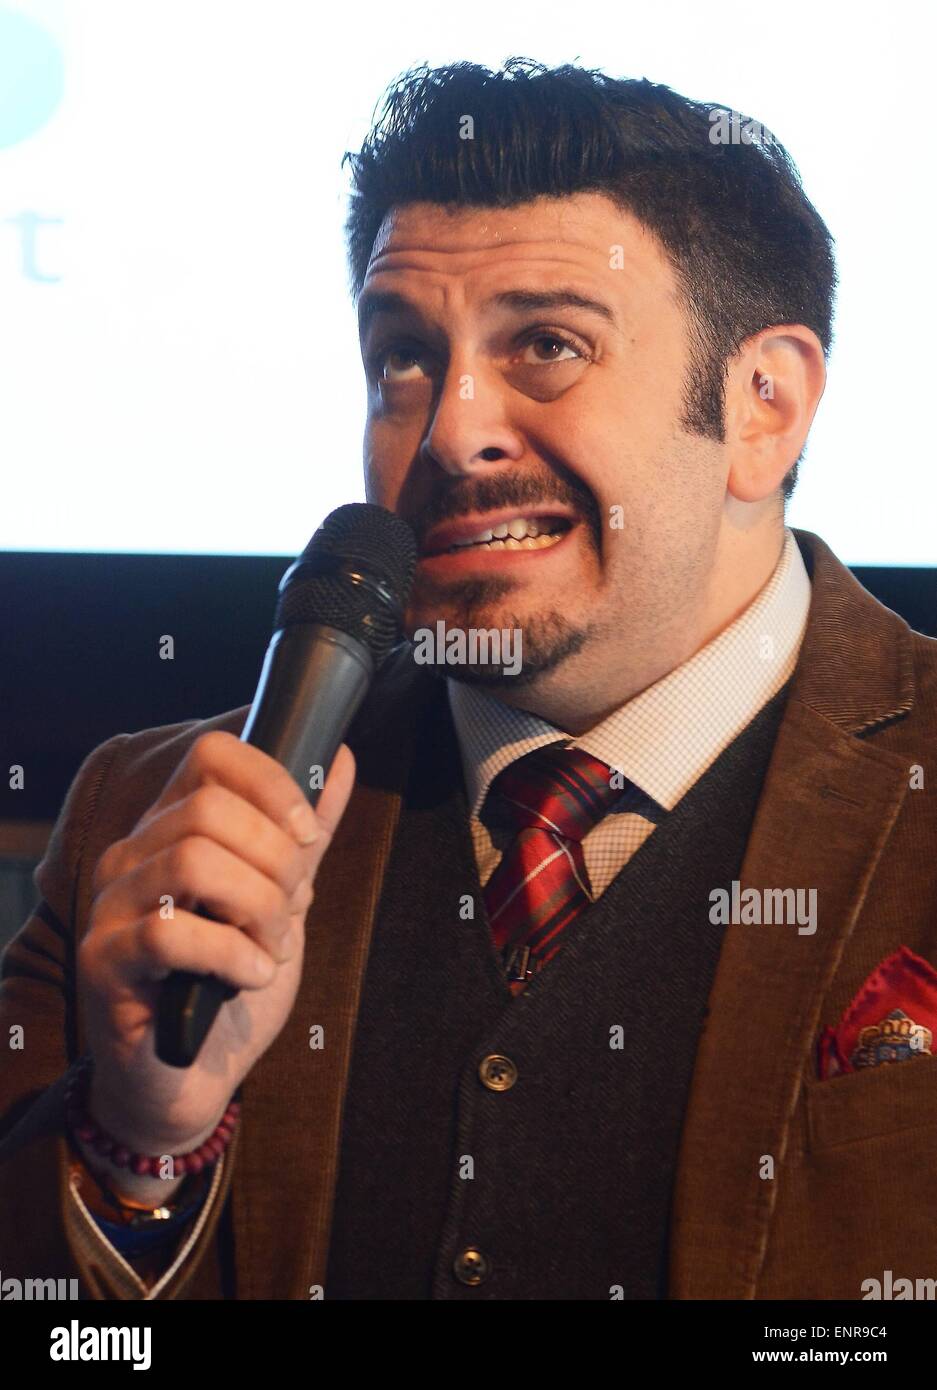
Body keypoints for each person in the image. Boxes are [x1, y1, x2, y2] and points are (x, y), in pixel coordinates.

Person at [3, 58, 936, 1302]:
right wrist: (141, 1139)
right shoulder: (149, 820)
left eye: (546, 346)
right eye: (401, 358)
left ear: (763, 405)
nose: (447, 429)